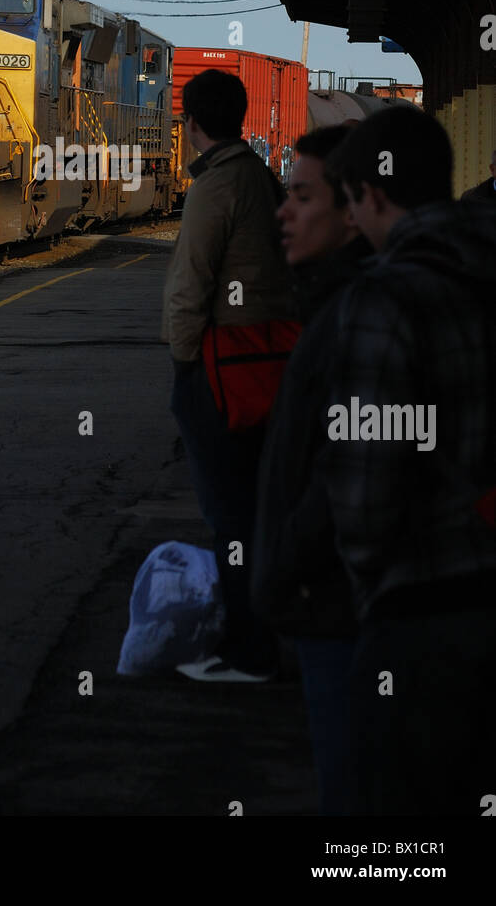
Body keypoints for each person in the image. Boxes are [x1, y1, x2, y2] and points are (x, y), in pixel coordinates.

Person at [319, 106, 496, 815]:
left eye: (351, 202)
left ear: (374, 194)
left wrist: (366, 582)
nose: (352, 223)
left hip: (424, 618)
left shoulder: (384, 298)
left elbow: (365, 500)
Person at [162, 68, 298, 682]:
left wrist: (183, 364)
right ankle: (258, 636)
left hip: (221, 371)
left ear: (190, 124)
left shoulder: (215, 188)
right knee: (254, 512)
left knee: (230, 515)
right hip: (264, 365)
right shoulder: (262, 178)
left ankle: (248, 650)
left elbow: (190, 288)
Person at [251, 125, 370, 814]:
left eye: (300, 195)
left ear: (354, 208)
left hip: (339, 610)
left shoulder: (356, 318)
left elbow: (347, 476)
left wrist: (280, 568)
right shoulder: (334, 303)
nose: (283, 212)